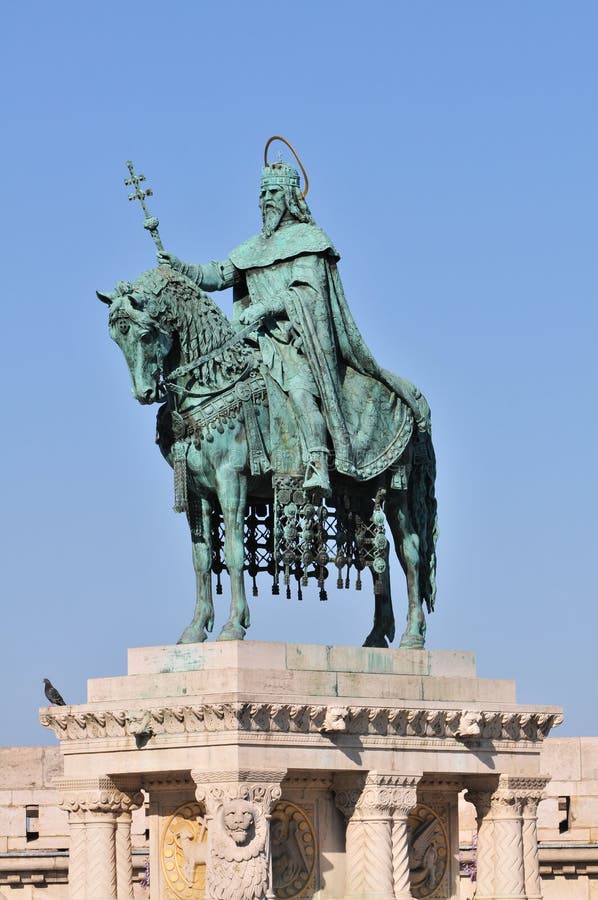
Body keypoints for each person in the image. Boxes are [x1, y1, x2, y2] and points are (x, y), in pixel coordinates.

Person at [158, 159, 430, 495]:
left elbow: (307, 292)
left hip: (296, 342)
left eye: (273, 192)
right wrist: (180, 267)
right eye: (262, 194)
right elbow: (217, 274)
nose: (266, 200)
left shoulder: (309, 239)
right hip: (255, 343)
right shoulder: (253, 247)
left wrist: (264, 307)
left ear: (290, 195)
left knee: (300, 390)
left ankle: (318, 462)